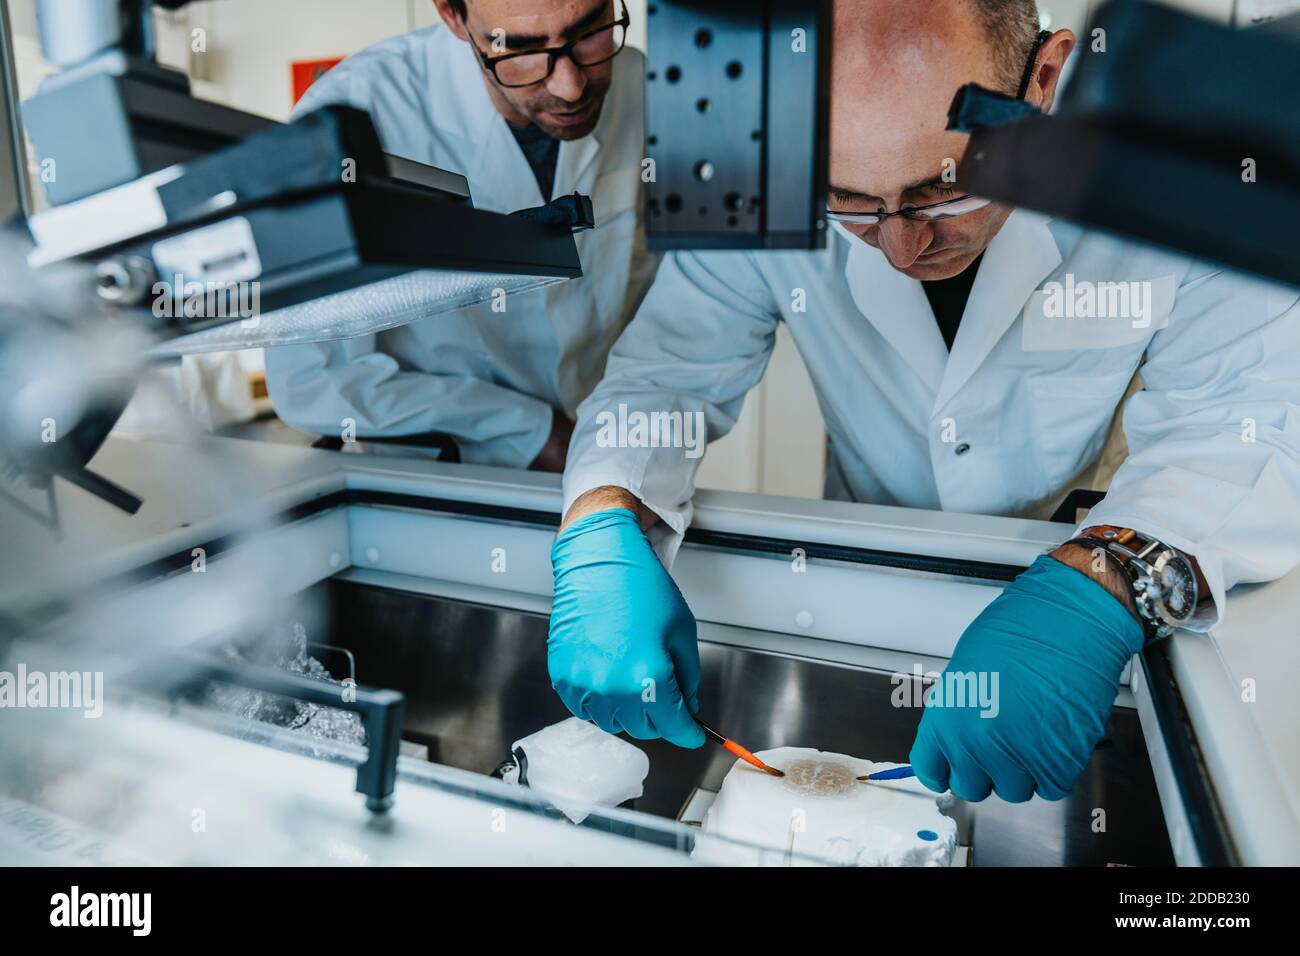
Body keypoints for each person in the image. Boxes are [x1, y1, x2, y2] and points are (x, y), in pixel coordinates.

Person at [546, 0, 1300, 803]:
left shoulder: (1177, 147)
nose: (903, 247)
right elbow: (666, 376)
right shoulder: (753, 146)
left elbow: (1245, 414)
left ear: (1040, 80)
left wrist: (1106, 579)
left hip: (1072, 569)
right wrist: (603, 516)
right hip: (875, 560)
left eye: (944, 190)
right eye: (848, 200)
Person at [265, 0, 658, 472]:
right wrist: (530, 429)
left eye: (590, 28)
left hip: (607, 454)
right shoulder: (352, 115)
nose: (570, 87)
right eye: (522, 47)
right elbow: (311, 381)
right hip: (442, 472)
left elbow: (681, 299)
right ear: (452, 15)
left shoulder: (646, 88)